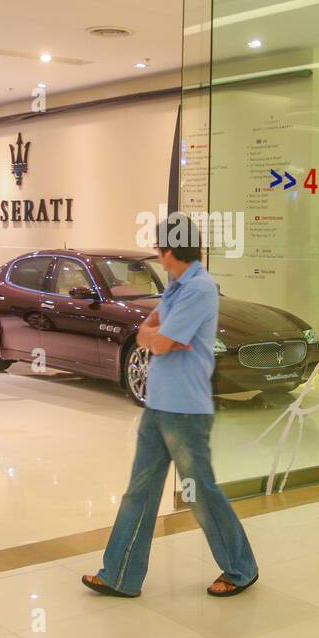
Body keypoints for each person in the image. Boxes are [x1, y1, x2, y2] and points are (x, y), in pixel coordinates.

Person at [83, 214, 259, 598]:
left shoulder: (200, 288)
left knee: (200, 491)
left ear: (170, 250)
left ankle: (241, 567)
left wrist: (157, 335)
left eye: (160, 252)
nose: (159, 260)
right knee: (139, 491)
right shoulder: (178, 286)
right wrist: (157, 334)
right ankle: (120, 574)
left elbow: (159, 341)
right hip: (158, 406)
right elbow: (153, 329)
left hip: (185, 410)